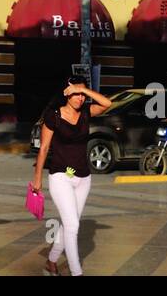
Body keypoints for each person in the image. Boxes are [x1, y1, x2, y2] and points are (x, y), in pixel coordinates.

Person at [33, 77, 113, 276]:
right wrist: (37, 179)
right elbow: (43, 149)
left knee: (70, 224)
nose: (80, 98)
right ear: (66, 93)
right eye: (75, 93)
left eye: (82, 94)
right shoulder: (54, 116)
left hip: (83, 177)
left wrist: (84, 90)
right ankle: (76, 272)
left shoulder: (86, 112)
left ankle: (51, 260)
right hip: (61, 175)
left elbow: (107, 103)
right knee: (73, 225)